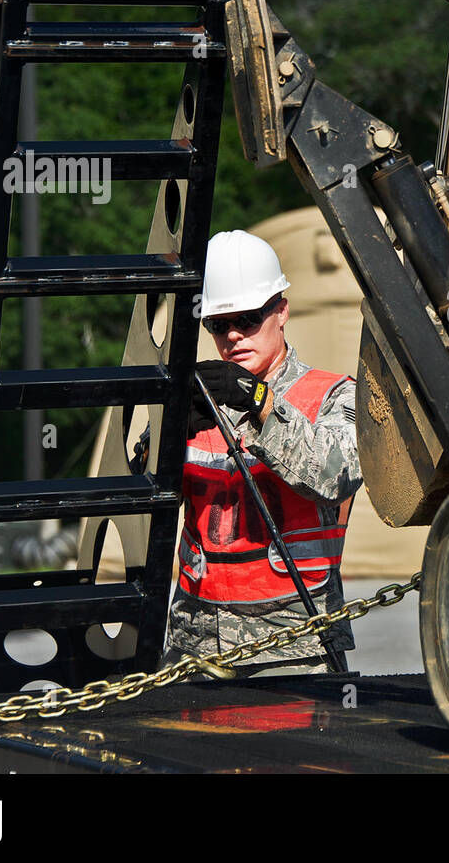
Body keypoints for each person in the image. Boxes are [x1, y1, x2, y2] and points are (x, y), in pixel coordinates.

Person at [163, 229, 362, 675]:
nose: (233, 335)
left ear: (282, 311)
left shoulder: (332, 395)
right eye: (218, 325)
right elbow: (142, 507)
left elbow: (335, 476)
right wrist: (164, 438)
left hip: (293, 649)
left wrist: (260, 403)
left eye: (248, 319)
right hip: (193, 646)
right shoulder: (197, 397)